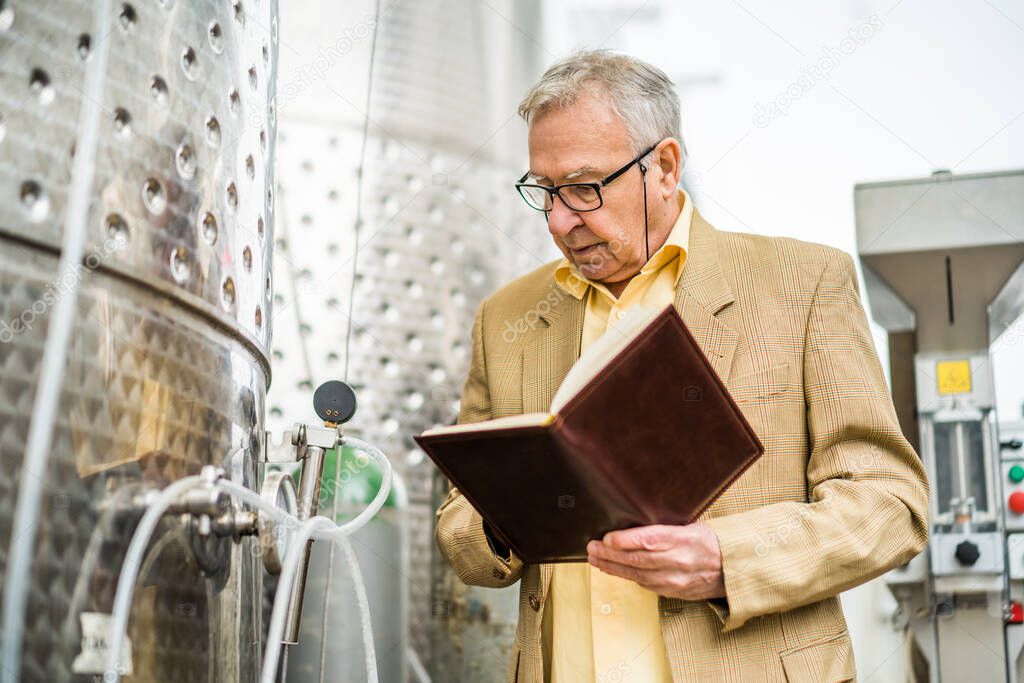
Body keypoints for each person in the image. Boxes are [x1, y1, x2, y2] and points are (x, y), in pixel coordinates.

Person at [434, 49, 929, 683]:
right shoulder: (504, 318)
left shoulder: (804, 284)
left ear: (664, 167)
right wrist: (508, 514)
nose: (560, 220)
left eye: (584, 187)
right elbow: (459, 518)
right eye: (544, 191)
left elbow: (890, 503)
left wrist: (729, 559)